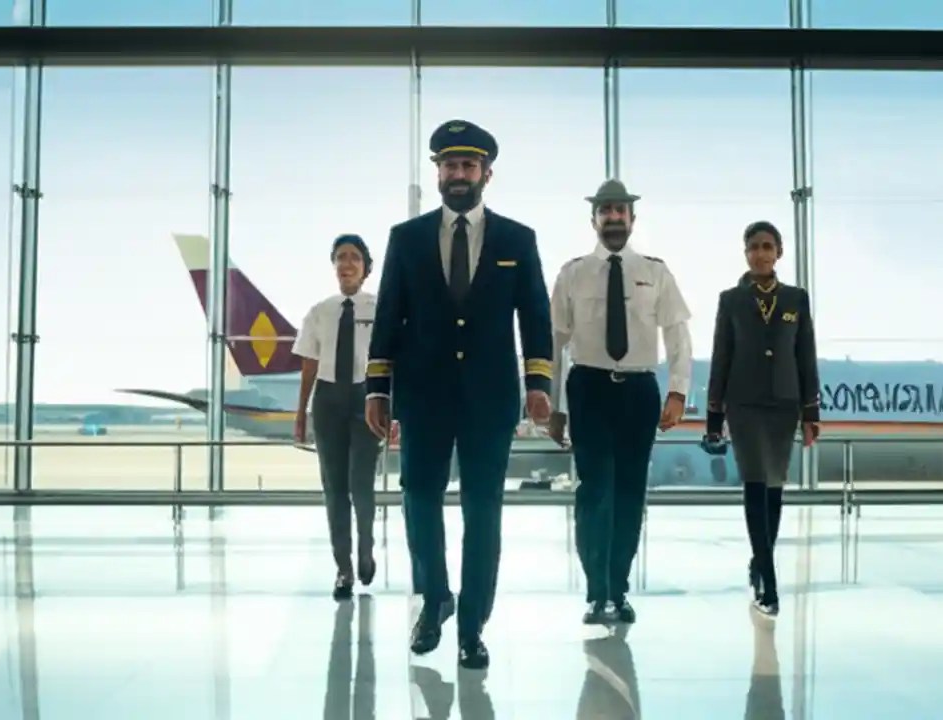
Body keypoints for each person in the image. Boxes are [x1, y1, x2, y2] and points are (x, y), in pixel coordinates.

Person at [364, 119, 554, 670]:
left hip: (490, 398)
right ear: (438, 174)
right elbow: (389, 321)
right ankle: (435, 599)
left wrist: (538, 384)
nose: (458, 175)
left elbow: (535, 318)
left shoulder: (519, 240)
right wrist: (378, 389)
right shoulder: (407, 237)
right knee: (417, 500)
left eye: (468, 166)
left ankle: (472, 625)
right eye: (449, 165)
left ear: (486, 174)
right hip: (422, 395)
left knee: (483, 510)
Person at [548, 179, 693, 625]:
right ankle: (595, 591)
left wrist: (677, 391)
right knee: (595, 491)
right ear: (593, 218)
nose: (613, 218)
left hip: (638, 392)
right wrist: (554, 405)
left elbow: (678, 335)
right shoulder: (572, 273)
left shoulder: (656, 271)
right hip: (588, 389)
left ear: (632, 219)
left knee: (629, 493)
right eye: (606, 211)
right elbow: (555, 342)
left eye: (620, 211)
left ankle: (619, 588)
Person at [702, 220, 820, 618]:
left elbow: (806, 355)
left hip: (784, 404)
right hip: (744, 404)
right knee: (755, 481)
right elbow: (721, 357)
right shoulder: (731, 300)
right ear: (746, 252)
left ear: (779, 252)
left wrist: (811, 412)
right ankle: (768, 581)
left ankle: (758, 560)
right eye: (754, 247)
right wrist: (714, 417)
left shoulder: (796, 299)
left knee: (774, 488)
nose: (761, 253)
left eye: (768, 246)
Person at [292, 234, 382, 601]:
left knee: (361, 485)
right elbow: (309, 366)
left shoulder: (380, 308)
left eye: (354, 258)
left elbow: (392, 362)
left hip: (366, 398)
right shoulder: (320, 311)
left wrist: (395, 410)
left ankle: (365, 549)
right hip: (327, 399)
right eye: (340, 257)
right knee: (334, 488)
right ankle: (343, 568)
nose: (346, 264)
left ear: (365, 267)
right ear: (334, 266)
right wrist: (301, 414)